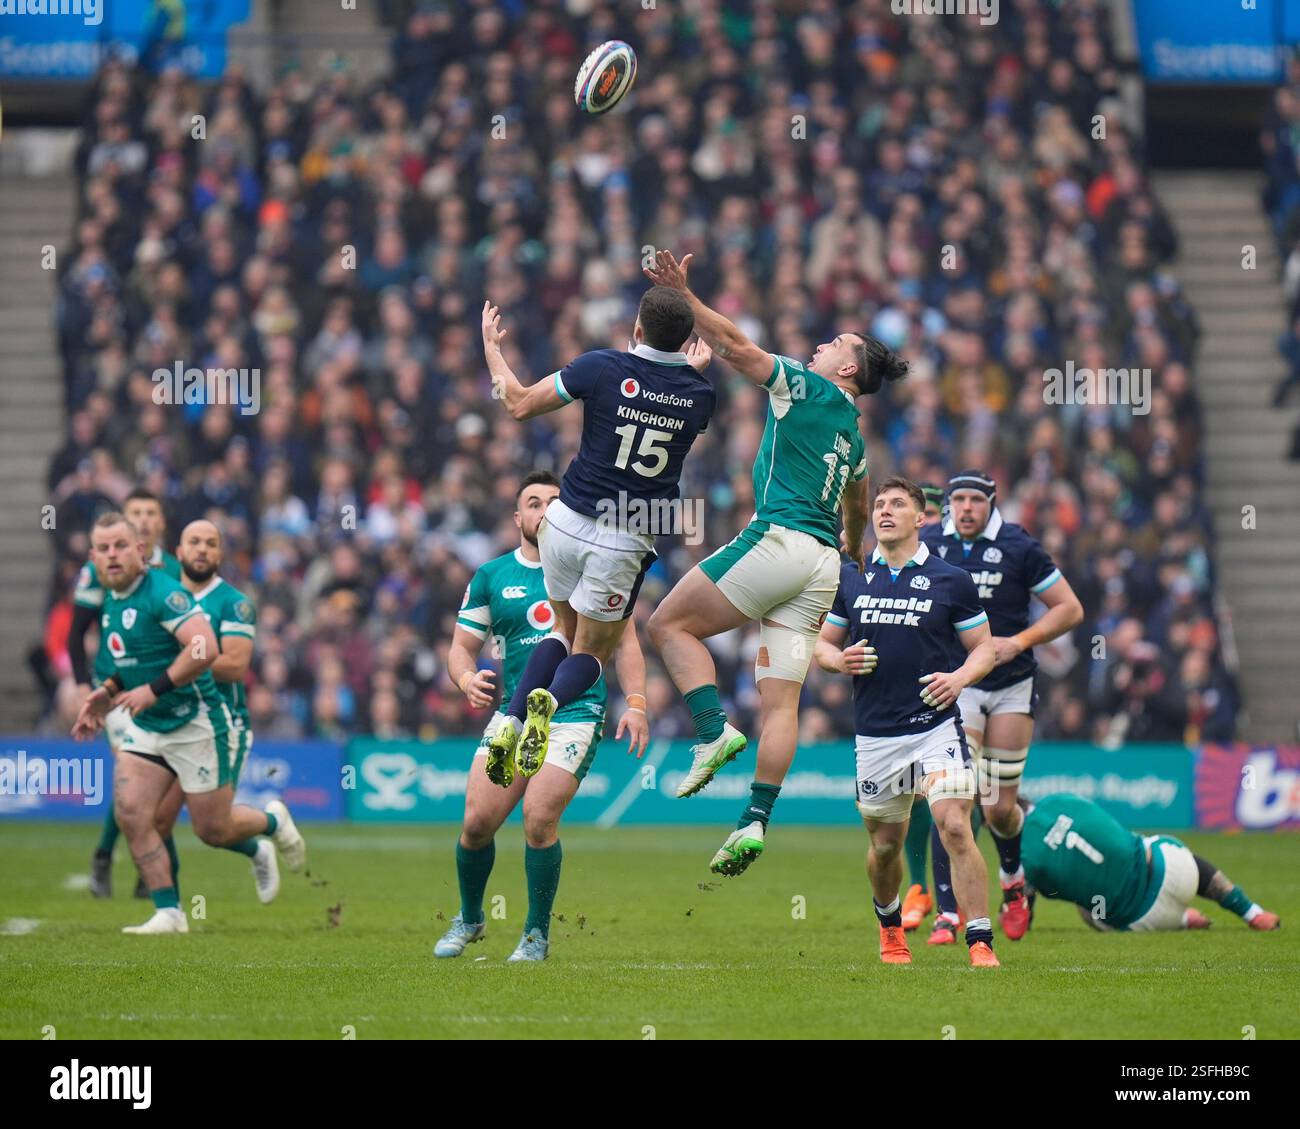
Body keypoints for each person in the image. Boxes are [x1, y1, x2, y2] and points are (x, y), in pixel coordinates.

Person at [641, 249, 907, 876]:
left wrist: (684, 298)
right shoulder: (854, 432)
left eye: (833, 342)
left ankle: (711, 731)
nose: (820, 345)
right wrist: (852, 547)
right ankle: (754, 821)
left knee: (667, 626)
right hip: (821, 567)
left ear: (847, 366)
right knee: (780, 705)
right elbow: (860, 496)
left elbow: (734, 346)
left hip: (781, 541)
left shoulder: (811, 388)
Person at [479, 287, 713, 784]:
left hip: (562, 523)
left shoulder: (601, 366)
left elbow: (518, 405)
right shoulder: (700, 395)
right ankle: (549, 705)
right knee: (591, 653)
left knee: (560, 632)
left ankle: (511, 719)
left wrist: (493, 349)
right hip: (623, 538)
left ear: (636, 329)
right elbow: (675, 398)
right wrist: (691, 371)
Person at [437, 472, 649, 962]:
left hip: (577, 712)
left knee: (538, 819)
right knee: (476, 824)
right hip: (514, 710)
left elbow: (629, 644)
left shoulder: (593, 566)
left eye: (555, 502)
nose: (545, 510)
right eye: (533, 503)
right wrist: (466, 679)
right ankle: (470, 917)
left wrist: (636, 703)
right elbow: (460, 648)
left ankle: (535, 934)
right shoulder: (492, 575)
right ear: (518, 518)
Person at [71, 513, 304, 934]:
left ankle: (271, 823)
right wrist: (103, 696)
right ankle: (169, 911)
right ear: (93, 558)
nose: (112, 555)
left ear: (141, 550)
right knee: (134, 813)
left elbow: (205, 648)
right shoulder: (113, 599)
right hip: (150, 723)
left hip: (196, 721)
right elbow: (130, 664)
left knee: (212, 829)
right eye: (103, 549)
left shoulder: (165, 593)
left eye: (120, 546)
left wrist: (152, 689)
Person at [815, 478, 1000, 967]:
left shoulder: (950, 580)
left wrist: (960, 678)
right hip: (876, 734)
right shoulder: (850, 577)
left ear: (921, 518)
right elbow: (820, 646)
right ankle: (890, 925)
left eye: (897, 504)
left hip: (936, 727)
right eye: (878, 505)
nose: (884, 511)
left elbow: (985, 648)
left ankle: (979, 939)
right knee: (883, 846)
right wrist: (839, 661)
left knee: (954, 825)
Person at [921, 470, 1083, 944]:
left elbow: (1069, 608)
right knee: (953, 797)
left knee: (999, 809)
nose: (966, 508)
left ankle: (1014, 883)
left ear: (992, 503)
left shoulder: (1018, 546)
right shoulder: (931, 542)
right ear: (948, 505)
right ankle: (948, 912)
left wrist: (1022, 641)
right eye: (959, 500)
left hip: (1011, 685)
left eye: (975, 499)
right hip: (959, 685)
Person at [73, 488, 182, 899]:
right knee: (131, 775)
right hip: (115, 687)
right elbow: (75, 630)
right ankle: (116, 861)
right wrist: (89, 690)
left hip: (164, 691)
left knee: (157, 792)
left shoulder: (172, 569)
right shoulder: (101, 566)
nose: (143, 519)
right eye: (135, 512)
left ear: (159, 522)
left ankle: (140, 866)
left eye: (150, 512)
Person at [1022, 793, 1280, 933]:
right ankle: (1252, 913)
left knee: (1087, 907)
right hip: (1177, 872)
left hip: (1143, 921)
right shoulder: (1059, 800)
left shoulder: (1025, 857)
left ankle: (1182, 920)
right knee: (1150, 844)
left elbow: (1019, 923)